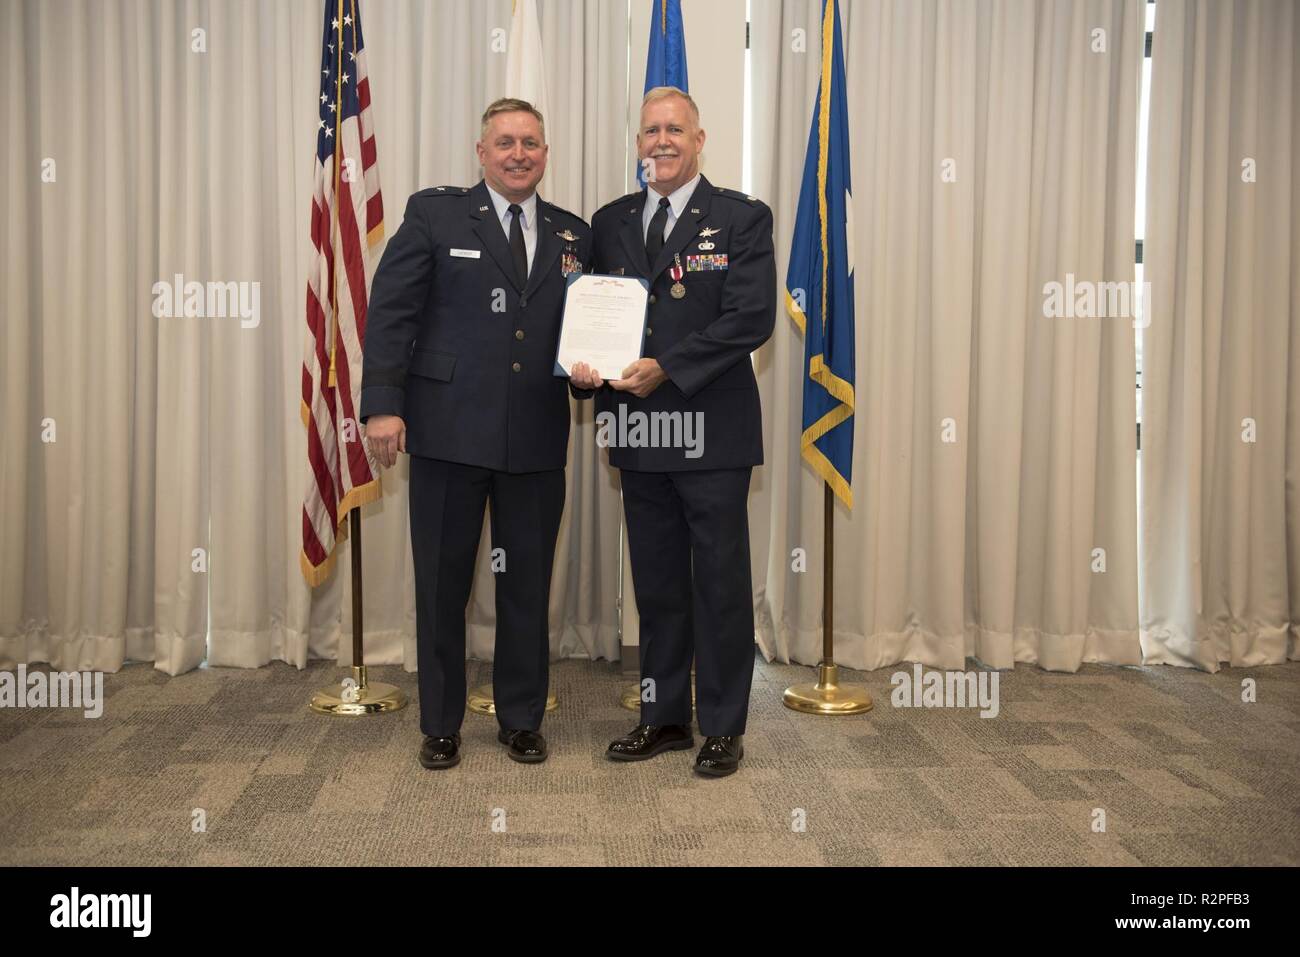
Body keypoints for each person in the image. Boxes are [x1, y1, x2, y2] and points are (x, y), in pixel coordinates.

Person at [361, 98, 591, 769]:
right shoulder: (434, 214)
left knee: (526, 586)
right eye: (506, 142)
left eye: (531, 143)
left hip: (536, 441)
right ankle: (440, 723)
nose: (519, 154)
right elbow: (391, 311)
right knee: (442, 586)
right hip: (445, 435)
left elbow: (581, 334)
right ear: (481, 151)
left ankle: (521, 718)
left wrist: (589, 375)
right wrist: (383, 404)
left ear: (545, 153)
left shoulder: (573, 235)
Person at [571, 86, 775, 777]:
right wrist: (583, 367)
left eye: (674, 131)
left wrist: (668, 367)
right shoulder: (611, 220)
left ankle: (722, 725)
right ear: (638, 143)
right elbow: (594, 314)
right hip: (636, 428)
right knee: (656, 583)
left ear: (699, 139)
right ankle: (662, 717)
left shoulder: (741, 219)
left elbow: (750, 319)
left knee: (718, 580)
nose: (661, 141)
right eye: (650, 130)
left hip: (710, 428)